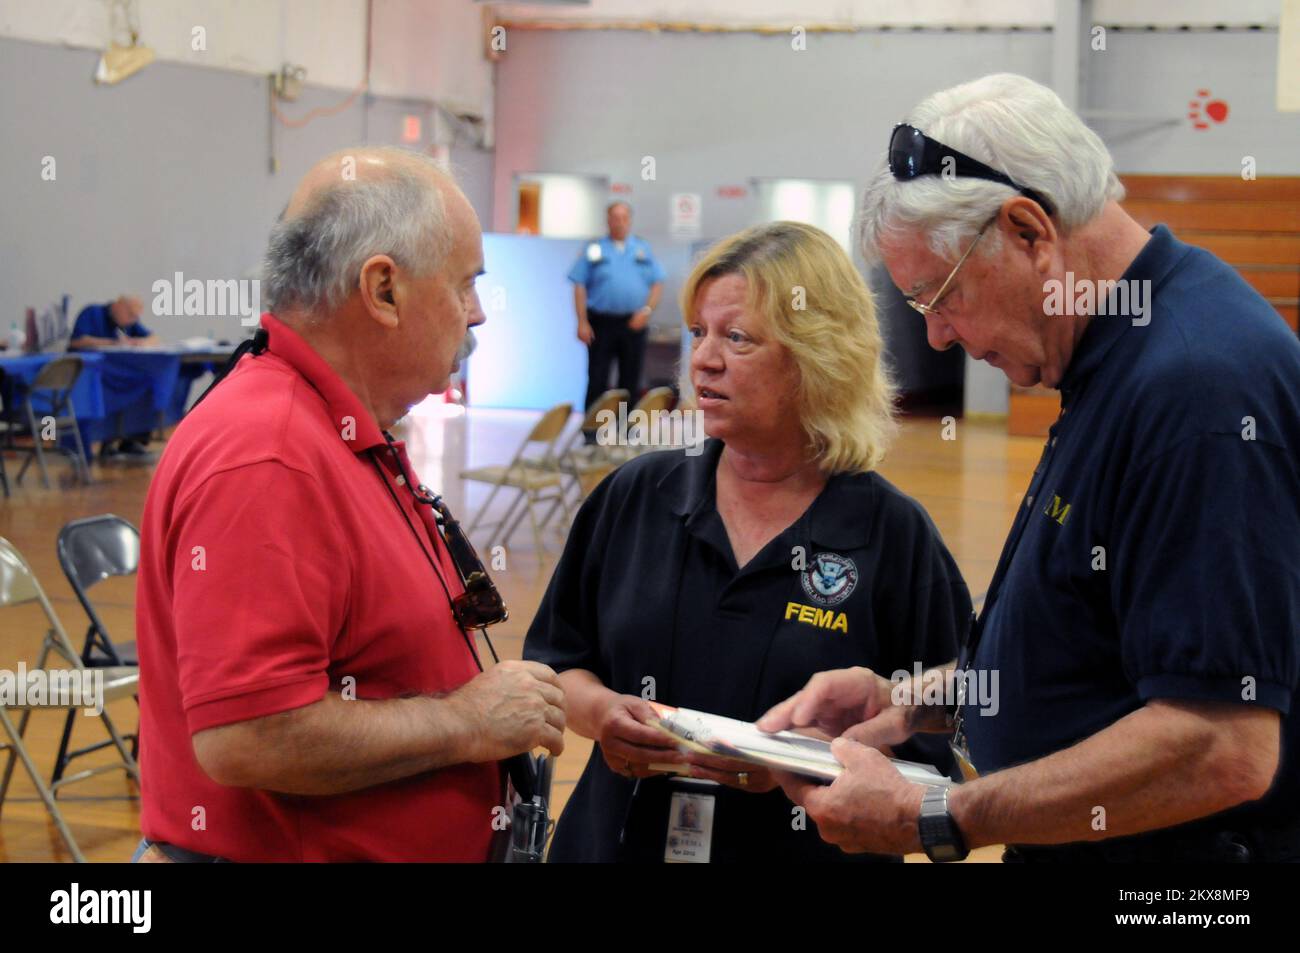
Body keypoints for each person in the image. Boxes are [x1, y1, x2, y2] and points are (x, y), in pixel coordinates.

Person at [762, 73, 1300, 863]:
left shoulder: (1196, 388)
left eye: (938, 295)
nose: (939, 336)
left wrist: (937, 813)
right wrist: (913, 702)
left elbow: (1220, 744)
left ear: (1028, 230)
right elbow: (1099, 642)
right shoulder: (1124, 349)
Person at [133, 148, 566, 862]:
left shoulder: (326, 427)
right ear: (383, 290)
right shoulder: (267, 452)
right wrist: (465, 722)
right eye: (464, 285)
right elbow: (252, 733)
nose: (478, 313)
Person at [525, 221, 971, 862]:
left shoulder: (891, 536)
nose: (703, 359)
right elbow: (557, 662)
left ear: (815, 357)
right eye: (699, 333)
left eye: (737, 338)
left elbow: (947, 735)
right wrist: (602, 716)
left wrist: (807, 763)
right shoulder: (637, 495)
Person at [569, 201, 664, 418]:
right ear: (608, 220)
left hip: (633, 323)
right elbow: (579, 284)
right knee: (597, 378)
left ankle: (626, 430)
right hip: (601, 323)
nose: (619, 223)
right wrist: (581, 321)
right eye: (615, 217)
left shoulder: (641, 248)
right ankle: (592, 433)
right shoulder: (594, 248)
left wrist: (647, 310)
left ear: (629, 221)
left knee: (630, 379)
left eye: (624, 218)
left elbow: (658, 282)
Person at [69, 295, 157, 456]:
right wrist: (112, 343)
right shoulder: (92, 313)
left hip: (117, 374)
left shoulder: (130, 323)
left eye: (136, 317)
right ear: (118, 306)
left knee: (148, 382)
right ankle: (100, 441)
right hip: (90, 374)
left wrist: (140, 342)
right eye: (130, 315)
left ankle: (131, 440)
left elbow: (153, 337)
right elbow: (76, 341)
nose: (133, 320)